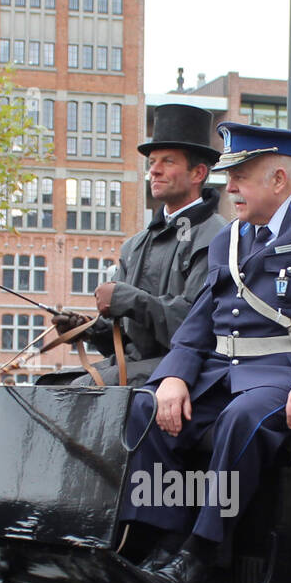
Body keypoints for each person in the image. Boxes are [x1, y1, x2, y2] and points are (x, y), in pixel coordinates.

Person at [121, 121, 291, 583]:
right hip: (235, 374)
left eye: (240, 175)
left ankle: (202, 551)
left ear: (278, 179)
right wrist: (174, 378)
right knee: (143, 407)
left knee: (244, 417)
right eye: (228, 175)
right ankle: (159, 537)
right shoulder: (232, 239)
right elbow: (201, 320)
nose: (230, 187)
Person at [54, 104, 228, 387]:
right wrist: (88, 329)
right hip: (140, 366)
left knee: (80, 390)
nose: (154, 172)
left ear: (198, 173)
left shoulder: (217, 237)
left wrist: (129, 300)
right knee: (50, 385)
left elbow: (195, 328)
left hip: (187, 368)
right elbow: (127, 343)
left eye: (167, 162)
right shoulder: (134, 245)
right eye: (151, 163)